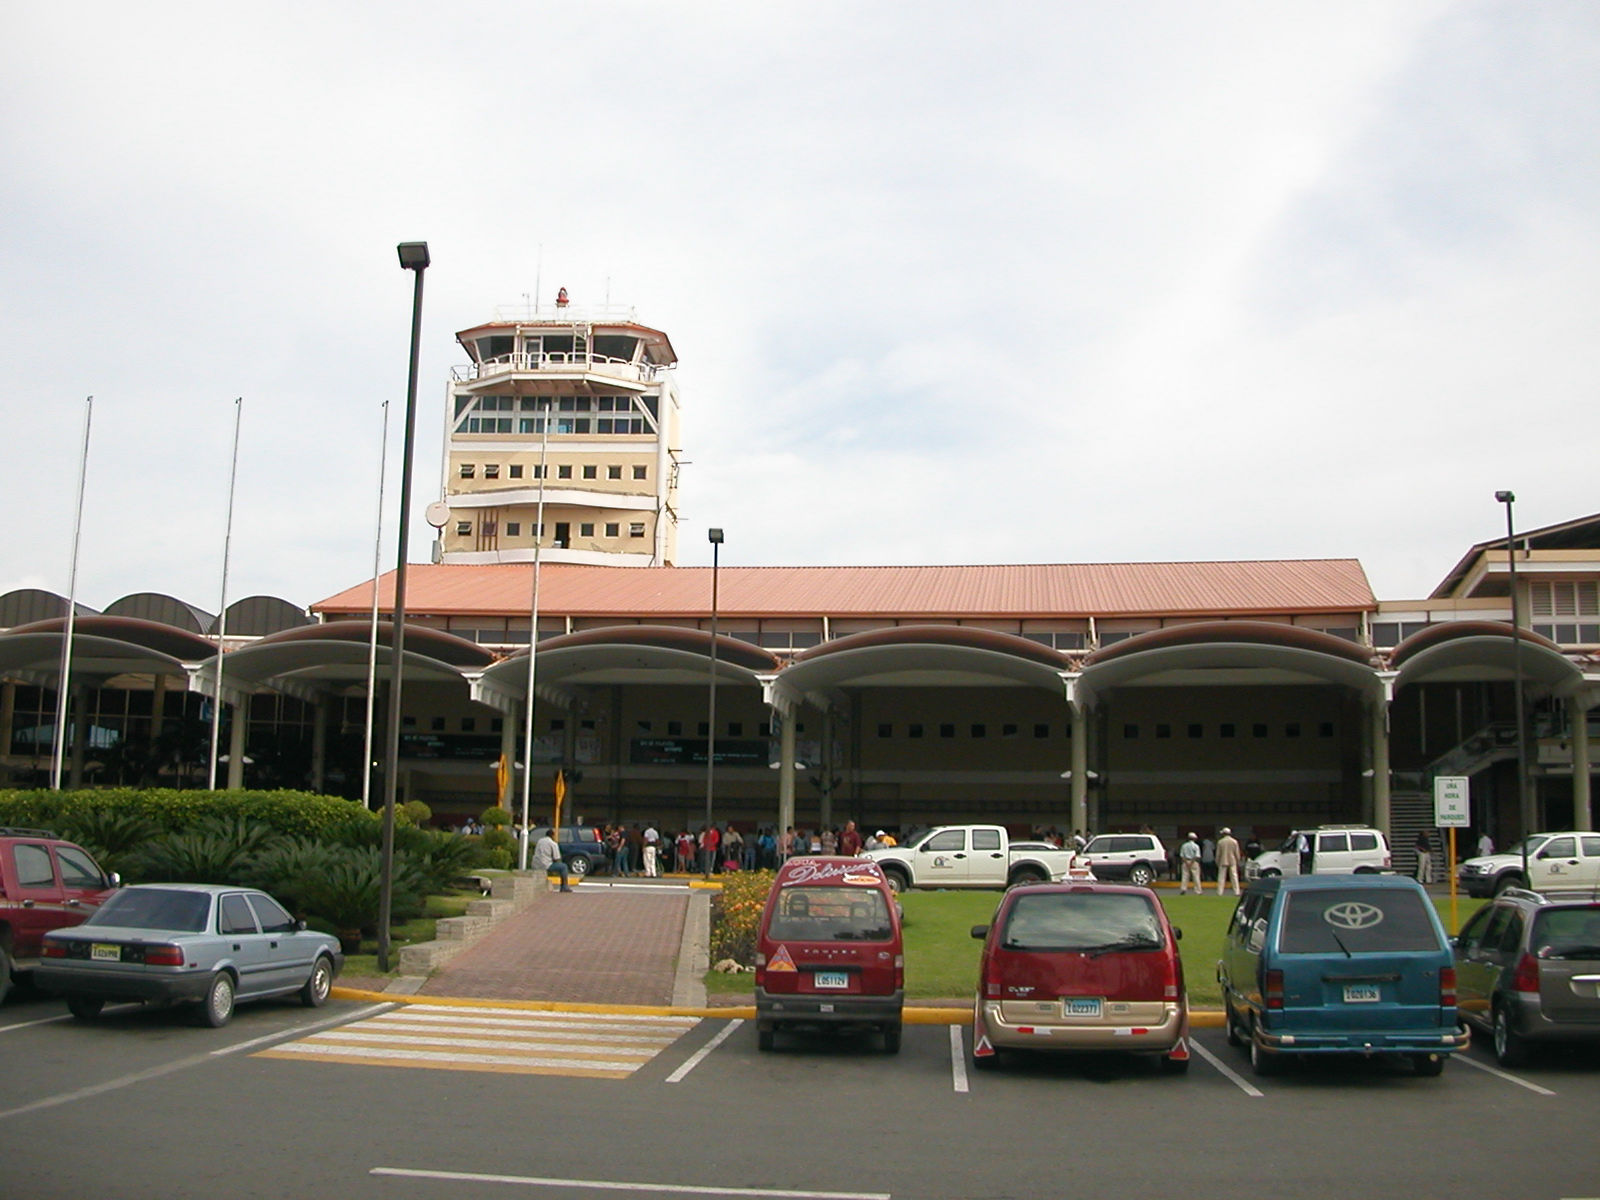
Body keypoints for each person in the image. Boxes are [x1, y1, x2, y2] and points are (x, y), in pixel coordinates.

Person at [532, 827, 572, 892]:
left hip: (535, 864)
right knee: (564, 867)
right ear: (552, 836)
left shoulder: (540, 841)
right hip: (546, 865)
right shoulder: (553, 844)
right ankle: (564, 887)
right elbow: (557, 858)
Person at [1215, 826, 1243, 896]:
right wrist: (1238, 860)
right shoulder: (1234, 841)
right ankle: (1237, 891)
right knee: (1234, 877)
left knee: (1221, 877)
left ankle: (1220, 892)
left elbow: (1218, 853)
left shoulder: (1220, 842)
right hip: (1232, 860)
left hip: (1223, 860)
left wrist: (1217, 861)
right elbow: (1237, 853)